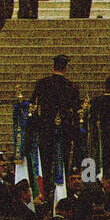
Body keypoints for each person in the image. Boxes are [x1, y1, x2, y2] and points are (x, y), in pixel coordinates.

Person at [29, 53, 82, 183]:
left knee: (45, 161)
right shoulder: (72, 86)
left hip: (45, 128)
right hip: (64, 128)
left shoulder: (42, 84)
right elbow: (77, 111)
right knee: (62, 160)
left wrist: (35, 125)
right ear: (65, 69)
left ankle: (46, 187)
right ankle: (62, 186)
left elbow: (33, 106)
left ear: (52, 67)